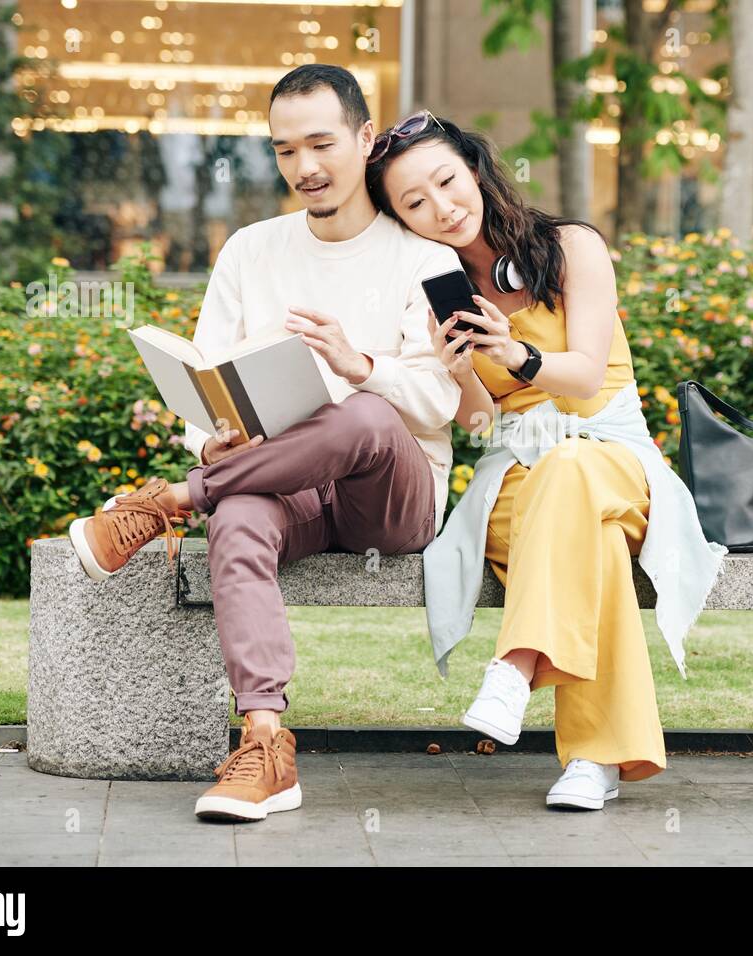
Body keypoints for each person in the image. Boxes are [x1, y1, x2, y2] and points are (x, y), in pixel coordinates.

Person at [65, 67, 463, 823]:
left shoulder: (425, 259)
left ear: (364, 138)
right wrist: (212, 439)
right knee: (241, 513)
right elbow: (205, 380)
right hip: (285, 483)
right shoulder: (251, 250)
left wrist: (359, 366)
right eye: (285, 151)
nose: (305, 167)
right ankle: (266, 745)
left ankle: (171, 501)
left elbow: (440, 398)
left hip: (393, 498)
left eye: (321, 143)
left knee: (366, 417)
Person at [366, 112, 726, 810]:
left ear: (474, 167)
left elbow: (588, 375)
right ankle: (595, 760)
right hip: (517, 490)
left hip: (615, 464)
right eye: (415, 203)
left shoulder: (570, 247)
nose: (442, 207)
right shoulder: (434, 293)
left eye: (447, 181)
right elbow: (478, 423)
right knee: (586, 540)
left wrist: (517, 355)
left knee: (572, 470)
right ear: (401, 220)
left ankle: (513, 666)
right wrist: (462, 371)